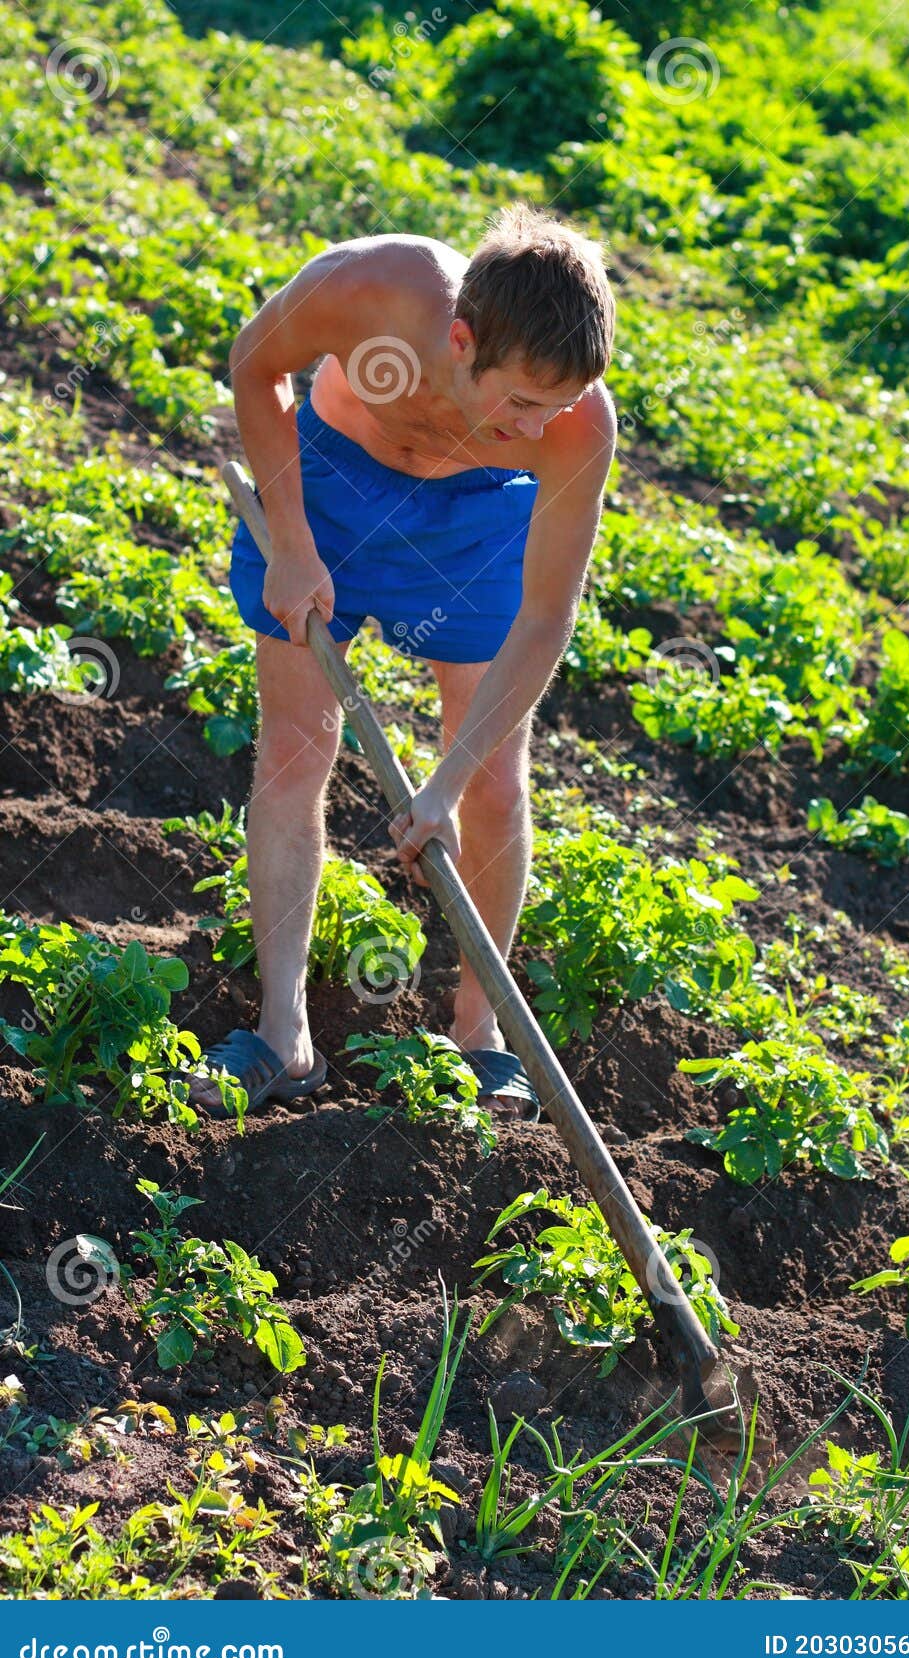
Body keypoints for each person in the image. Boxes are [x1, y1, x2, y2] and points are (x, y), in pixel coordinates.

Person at [183, 202, 617, 1123]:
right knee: (297, 746)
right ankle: (281, 1034)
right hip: (330, 487)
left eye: (563, 404)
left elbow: (545, 620)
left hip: (472, 527)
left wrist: (443, 783)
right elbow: (256, 367)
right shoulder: (369, 286)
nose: (546, 422)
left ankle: (478, 1036)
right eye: (525, 402)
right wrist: (292, 542)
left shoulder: (574, 427)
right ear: (461, 340)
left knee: (495, 780)